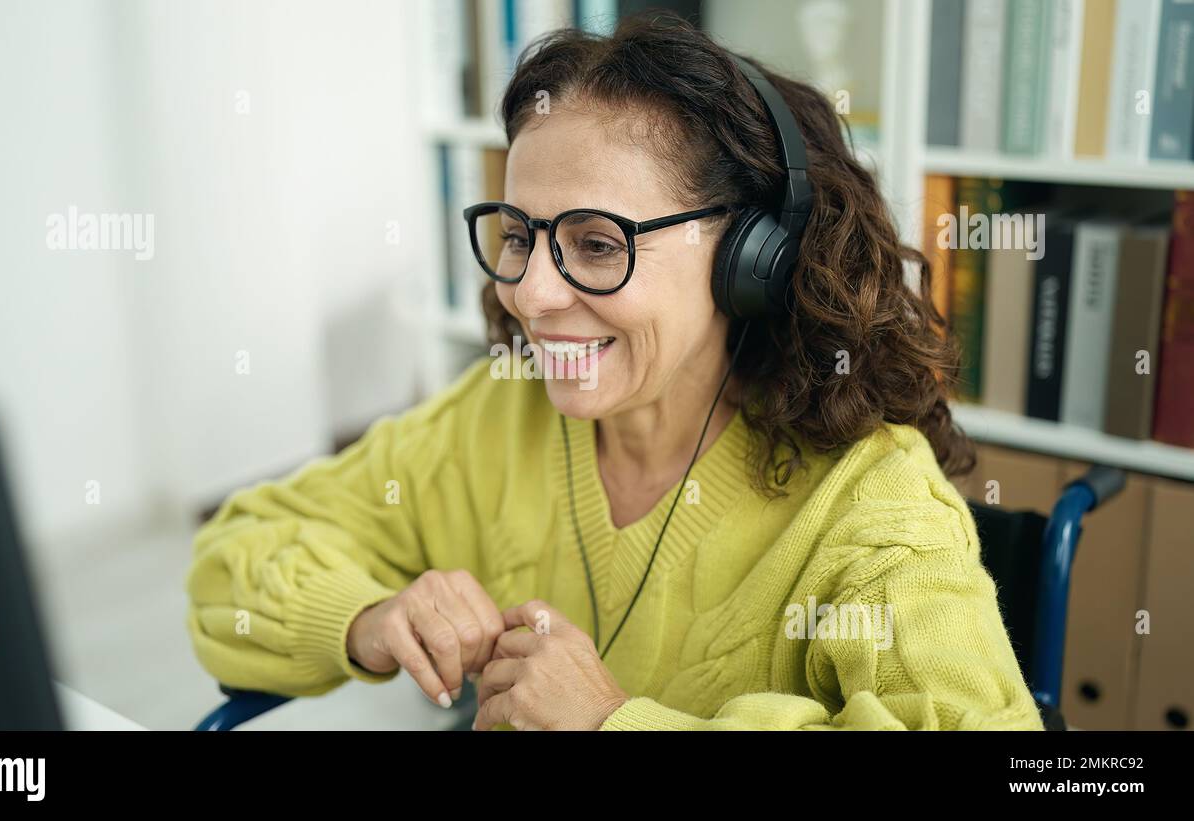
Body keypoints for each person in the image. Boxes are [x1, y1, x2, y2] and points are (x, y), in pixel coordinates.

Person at [185, 12, 1042, 731]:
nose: (531, 292)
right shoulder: (499, 415)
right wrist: (367, 618)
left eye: (597, 244)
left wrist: (611, 720)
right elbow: (235, 556)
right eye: (520, 236)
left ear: (754, 257)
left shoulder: (871, 501)